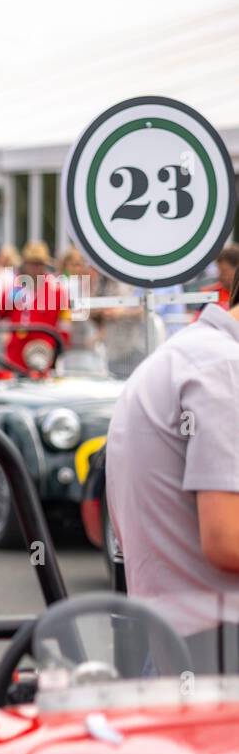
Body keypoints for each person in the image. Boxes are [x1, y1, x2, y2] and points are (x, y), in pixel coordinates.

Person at [105, 265, 239, 639]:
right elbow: (227, 540)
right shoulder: (225, 367)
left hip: (179, 639)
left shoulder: (194, 353)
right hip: (213, 645)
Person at [0, 240, 69, 371]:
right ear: (25, 264)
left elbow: (65, 328)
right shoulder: (17, 288)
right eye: (31, 263)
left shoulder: (56, 290)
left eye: (39, 264)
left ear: (45, 265)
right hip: (14, 358)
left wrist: (57, 353)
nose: (35, 268)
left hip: (43, 359)